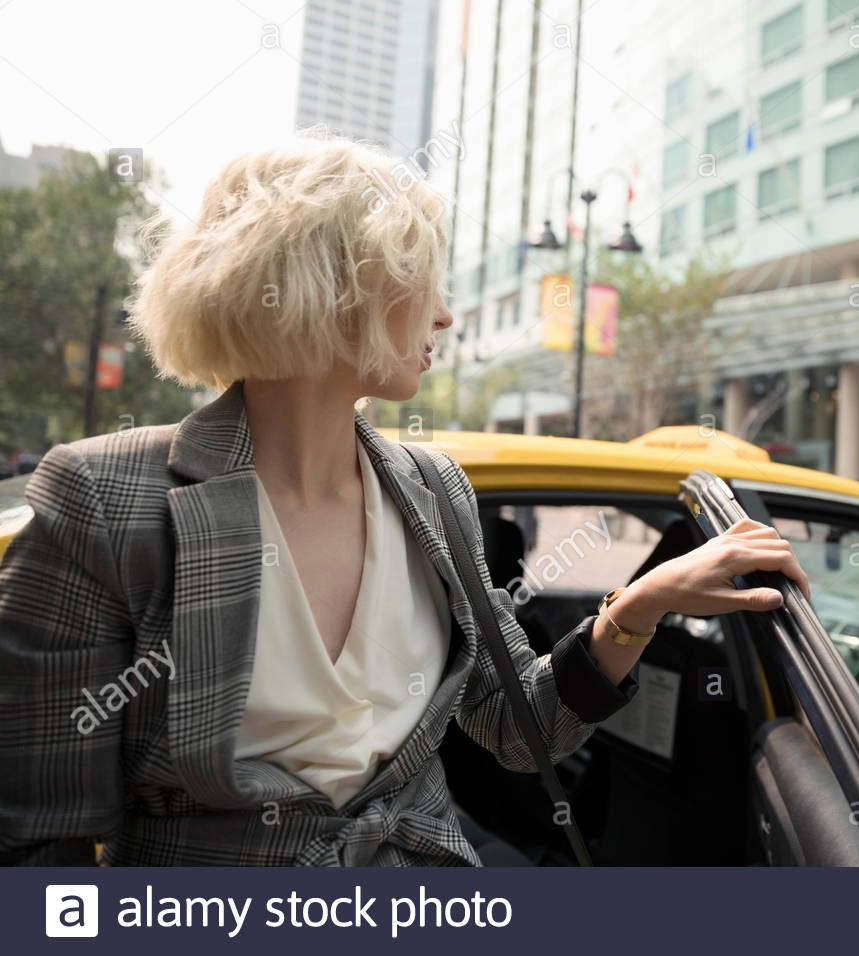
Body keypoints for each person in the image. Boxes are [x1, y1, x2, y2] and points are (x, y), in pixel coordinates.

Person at [0, 134, 810, 866]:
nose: (448, 313)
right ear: (331, 287)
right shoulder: (104, 501)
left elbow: (522, 728)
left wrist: (640, 605)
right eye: (422, 279)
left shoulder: (434, 489)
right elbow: (41, 841)